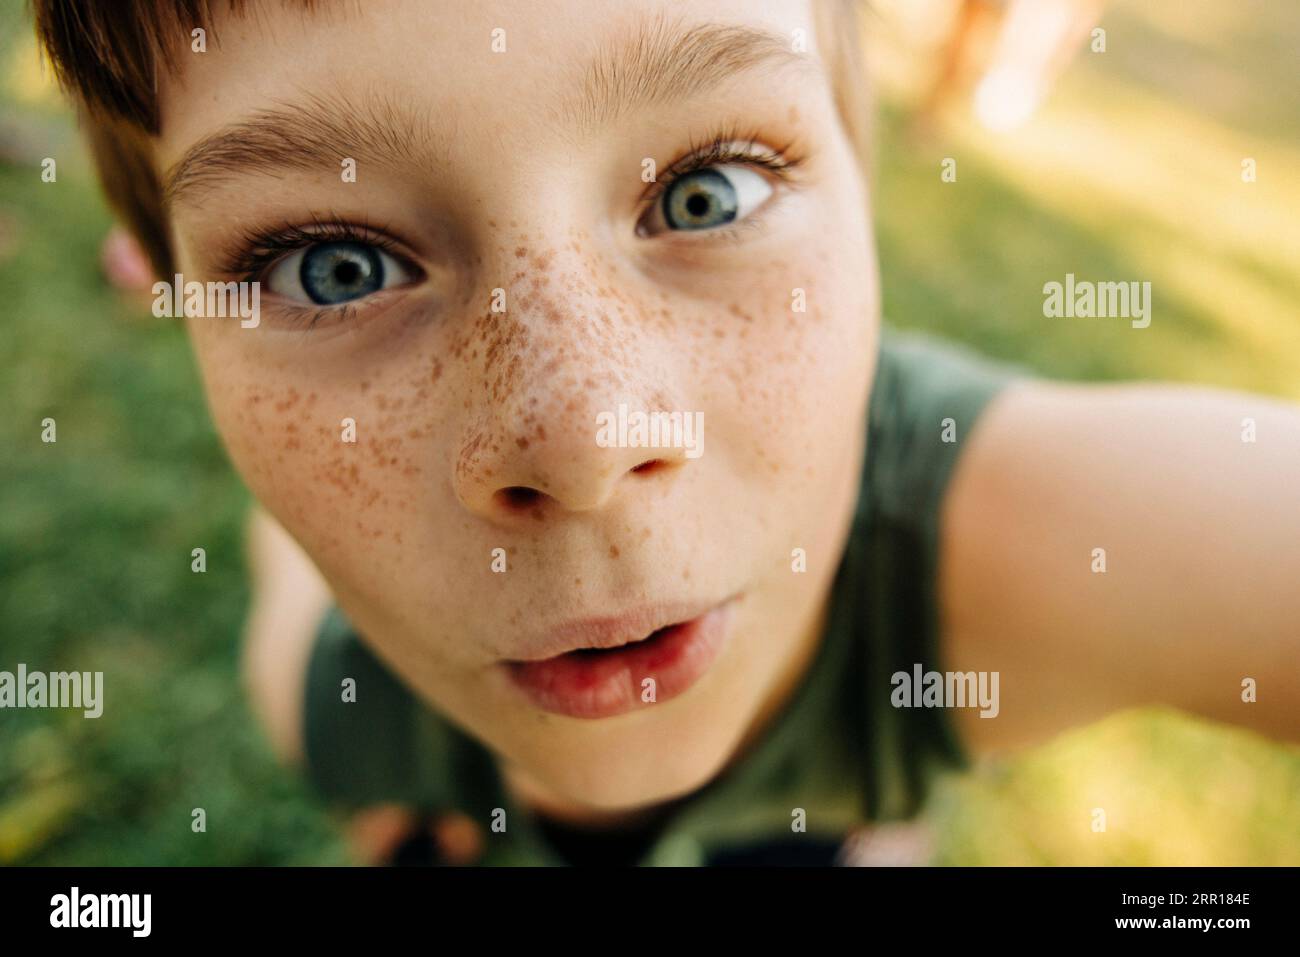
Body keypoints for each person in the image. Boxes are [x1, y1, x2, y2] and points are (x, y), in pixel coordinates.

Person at [32, 0, 1300, 865]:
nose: (584, 443)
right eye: (333, 267)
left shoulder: (1018, 544)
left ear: (862, 179)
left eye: (711, 190)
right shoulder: (334, 699)